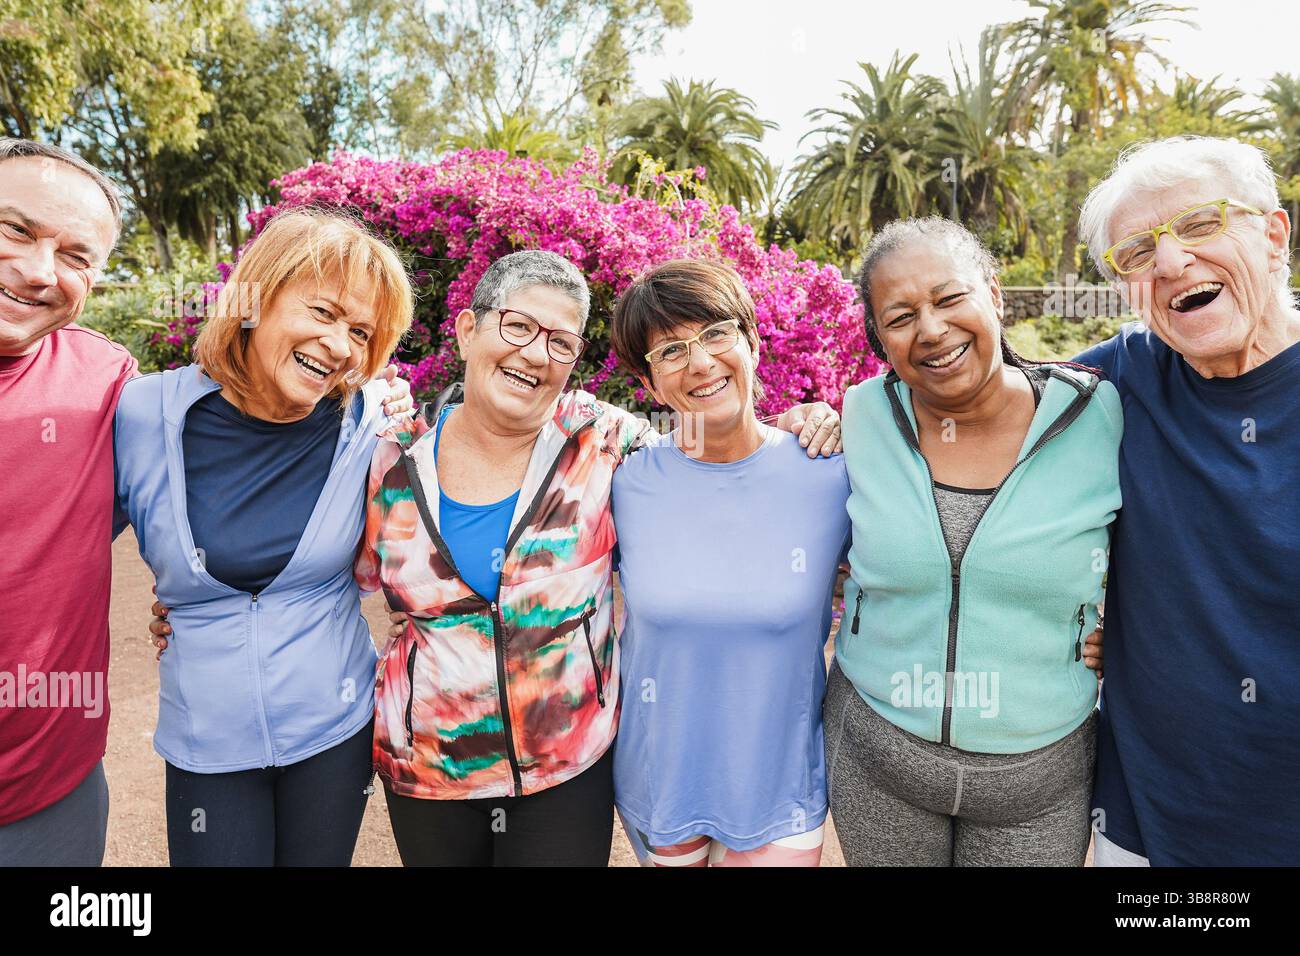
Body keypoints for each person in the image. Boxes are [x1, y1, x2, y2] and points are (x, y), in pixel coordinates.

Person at [360, 249, 842, 867]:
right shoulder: (387, 456)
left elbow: (720, 446)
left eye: (561, 343)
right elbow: (338, 578)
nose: (536, 354)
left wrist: (807, 423)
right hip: (427, 766)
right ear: (465, 330)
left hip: (567, 767)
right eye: (518, 327)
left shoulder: (600, 440)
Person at [122, 209, 414, 865]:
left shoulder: (372, 419)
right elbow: (61, 539)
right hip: (205, 738)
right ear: (256, 298)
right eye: (323, 312)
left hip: (333, 732)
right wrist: (175, 596)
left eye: (361, 331)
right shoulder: (143, 414)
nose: (340, 345)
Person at [827, 217, 1117, 866]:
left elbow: (1182, 534)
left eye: (950, 297)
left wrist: (1137, 626)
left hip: (1037, 783)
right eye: (899, 316)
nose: (930, 329)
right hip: (879, 758)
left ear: (994, 292)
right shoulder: (857, 419)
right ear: (879, 340)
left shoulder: (1100, 416)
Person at [1074, 136, 1300, 866]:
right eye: (1138, 253)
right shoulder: (1124, 377)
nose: (1171, 263)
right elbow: (969, 404)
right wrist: (805, 432)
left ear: (1272, 235)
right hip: (1147, 828)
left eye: (1202, 224)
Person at [606, 259, 850, 867]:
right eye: (671, 350)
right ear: (649, 381)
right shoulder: (622, 480)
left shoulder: (830, 472)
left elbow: (919, 573)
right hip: (660, 781)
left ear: (753, 342)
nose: (700, 361)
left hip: (780, 786)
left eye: (716, 333)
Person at [0, 138, 133, 865]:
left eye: (76, 255)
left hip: (53, 799)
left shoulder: (106, 383)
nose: (37, 271)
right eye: (14, 229)